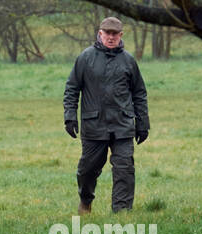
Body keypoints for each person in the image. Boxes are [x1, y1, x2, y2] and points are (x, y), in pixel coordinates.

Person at [62, 16, 149, 214]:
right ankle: (85, 201)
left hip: (123, 125)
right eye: (107, 33)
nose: (111, 37)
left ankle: (121, 213)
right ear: (100, 34)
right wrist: (70, 116)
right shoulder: (85, 58)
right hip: (94, 125)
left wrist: (143, 123)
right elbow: (72, 89)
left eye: (114, 34)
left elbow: (139, 93)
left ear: (121, 35)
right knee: (87, 170)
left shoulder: (129, 61)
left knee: (124, 169)